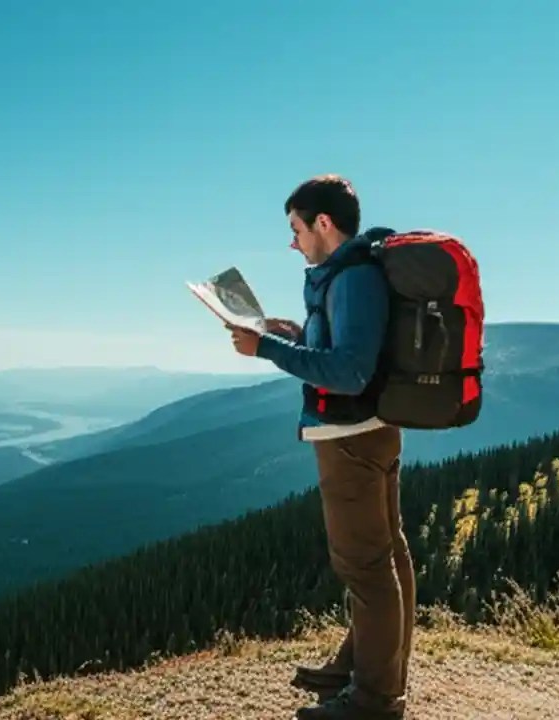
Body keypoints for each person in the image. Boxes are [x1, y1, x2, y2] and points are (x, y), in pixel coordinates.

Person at [227, 174, 414, 720]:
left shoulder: (352, 277)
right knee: (387, 557)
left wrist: (266, 348)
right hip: (369, 430)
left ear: (323, 224)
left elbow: (350, 372)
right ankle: (361, 666)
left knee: (366, 567)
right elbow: (345, 349)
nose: (293, 242)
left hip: (351, 437)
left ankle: (376, 701)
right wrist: (294, 331)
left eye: (296, 229)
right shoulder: (350, 274)